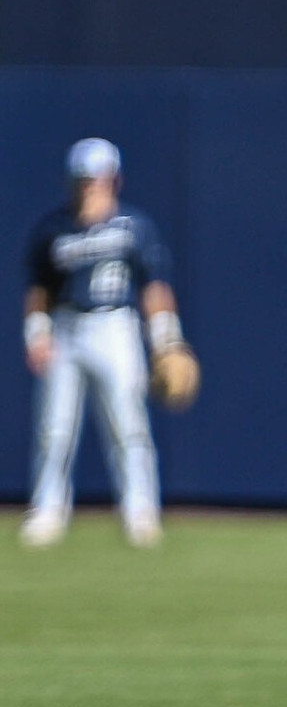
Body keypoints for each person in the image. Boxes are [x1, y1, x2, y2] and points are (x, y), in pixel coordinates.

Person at [20, 138, 190, 548]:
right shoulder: (53, 229)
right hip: (67, 327)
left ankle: (141, 513)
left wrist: (167, 338)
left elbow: (154, 287)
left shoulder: (134, 226)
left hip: (116, 326)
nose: (90, 187)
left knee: (128, 426)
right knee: (54, 428)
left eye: (97, 179)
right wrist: (37, 333)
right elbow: (39, 289)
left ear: (114, 179)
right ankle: (47, 511)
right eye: (83, 179)